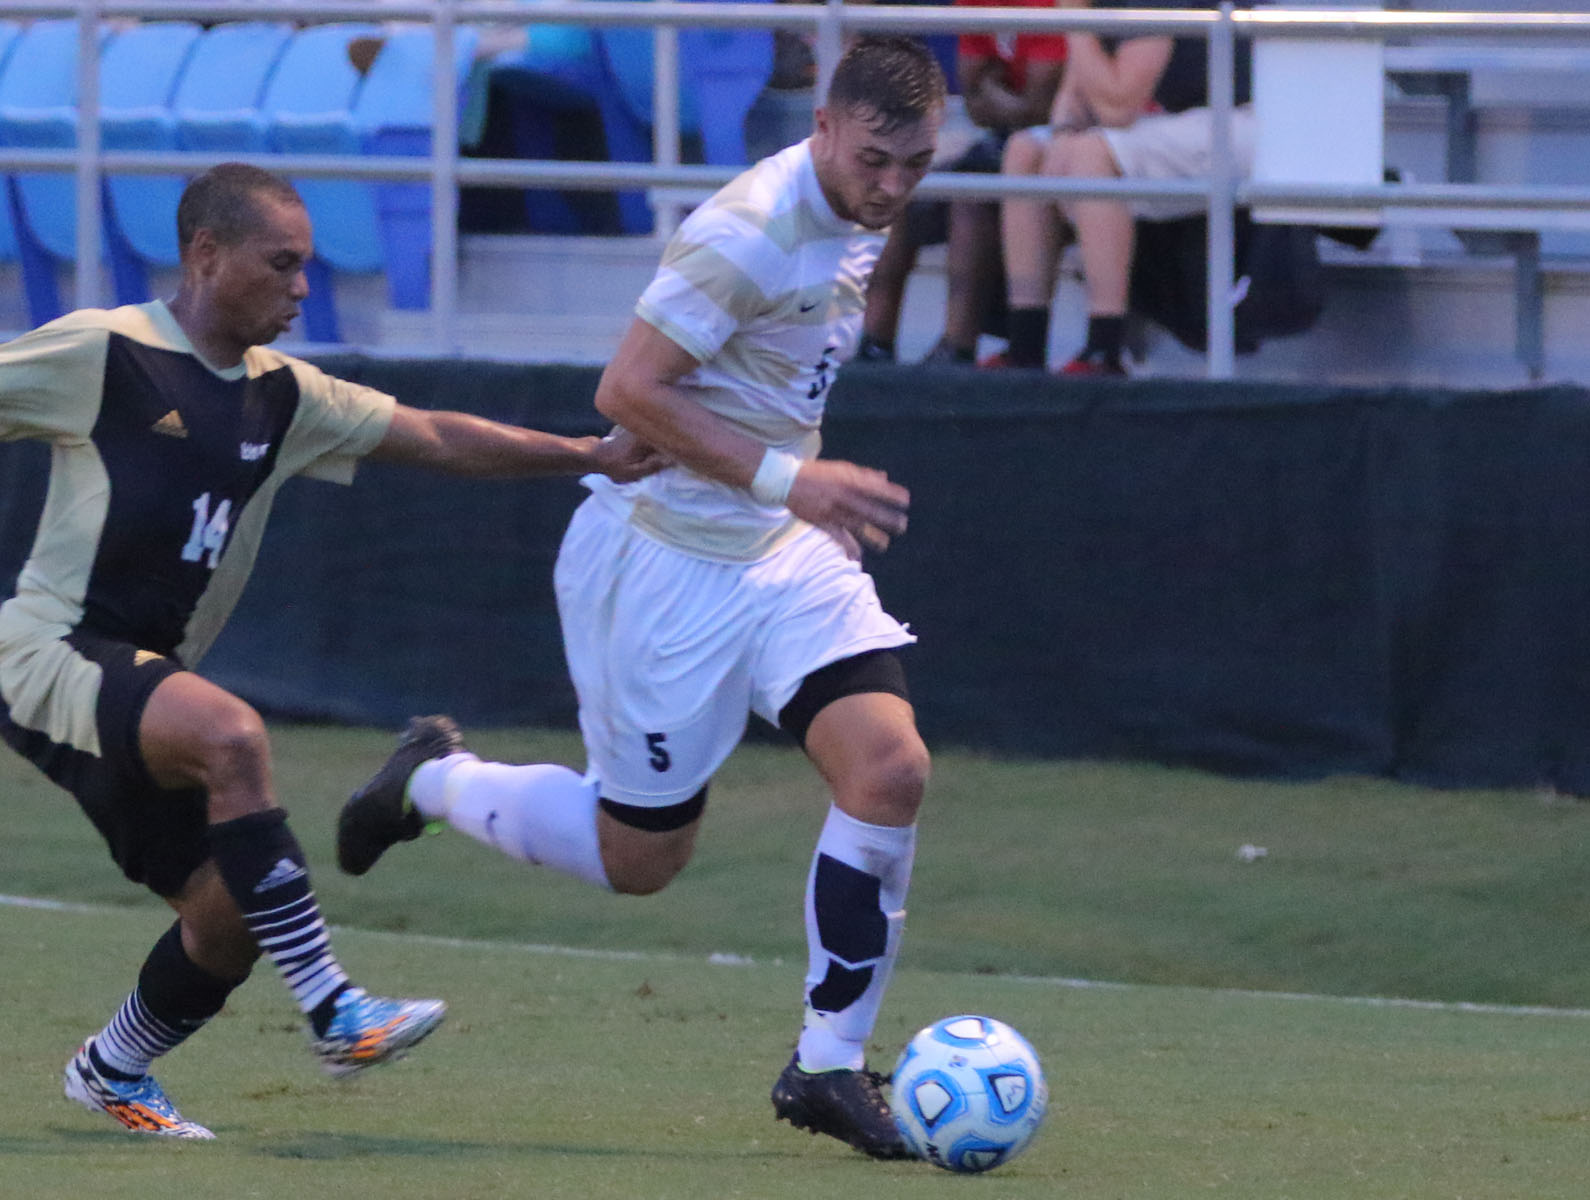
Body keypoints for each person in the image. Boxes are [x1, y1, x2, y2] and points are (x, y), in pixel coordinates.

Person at [337, 36, 947, 1161]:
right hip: (660, 566)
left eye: (916, 164)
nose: (895, 187)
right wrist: (791, 475)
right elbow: (625, 389)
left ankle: (826, 1066)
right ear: (821, 127)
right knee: (641, 861)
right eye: (876, 161)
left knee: (890, 768)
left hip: (781, 553)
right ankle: (431, 777)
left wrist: (787, 492)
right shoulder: (745, 232)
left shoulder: (865, 211)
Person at [0, 162, 660, 1140]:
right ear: (206, 254)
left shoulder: (283, 397)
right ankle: (336, 1009)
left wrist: (588, 455)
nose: (302, 288)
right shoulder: (107, 351)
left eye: (306, 267)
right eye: (282, 265)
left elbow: (435, 434)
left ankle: (115, 1065)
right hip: (50, 651)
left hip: (141, 684)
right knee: (233, 736)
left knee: (227, 913)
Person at [995, 0, 1253, 374]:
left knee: (1092, 155)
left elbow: (1118, 106)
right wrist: (1063, 134)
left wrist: (1072, 14)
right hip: (1172, 123)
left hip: (1241, 120)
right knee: (1026, 151)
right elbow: (1077, 92)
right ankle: (1025, 347)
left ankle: (1105, 350)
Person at [857, 0, 1068, 366]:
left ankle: (958, 346)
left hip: (1060, 144)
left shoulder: (1050, 5)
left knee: (969, 194)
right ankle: (875, 342)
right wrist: (1001, 99)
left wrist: (991, 89)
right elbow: (973, 102)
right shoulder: (974, 4)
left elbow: (1039, 107)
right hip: (999, 139)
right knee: (895, 184)